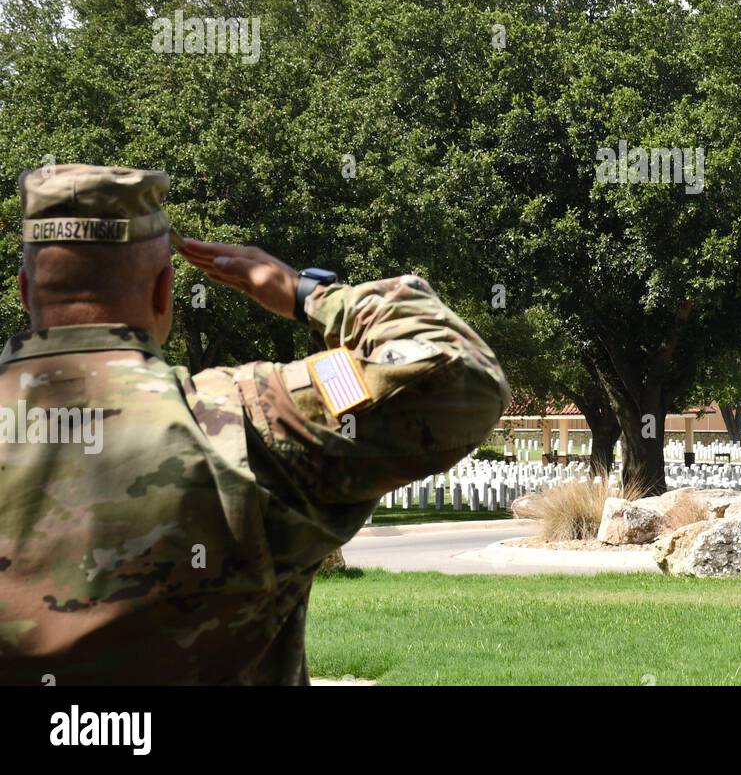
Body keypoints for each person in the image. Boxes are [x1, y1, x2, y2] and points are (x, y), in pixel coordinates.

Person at [0, 164, 511, 685]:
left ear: (24, 290)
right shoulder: (243, 420)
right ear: (163, 290)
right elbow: (457, 374)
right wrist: (308, 293)